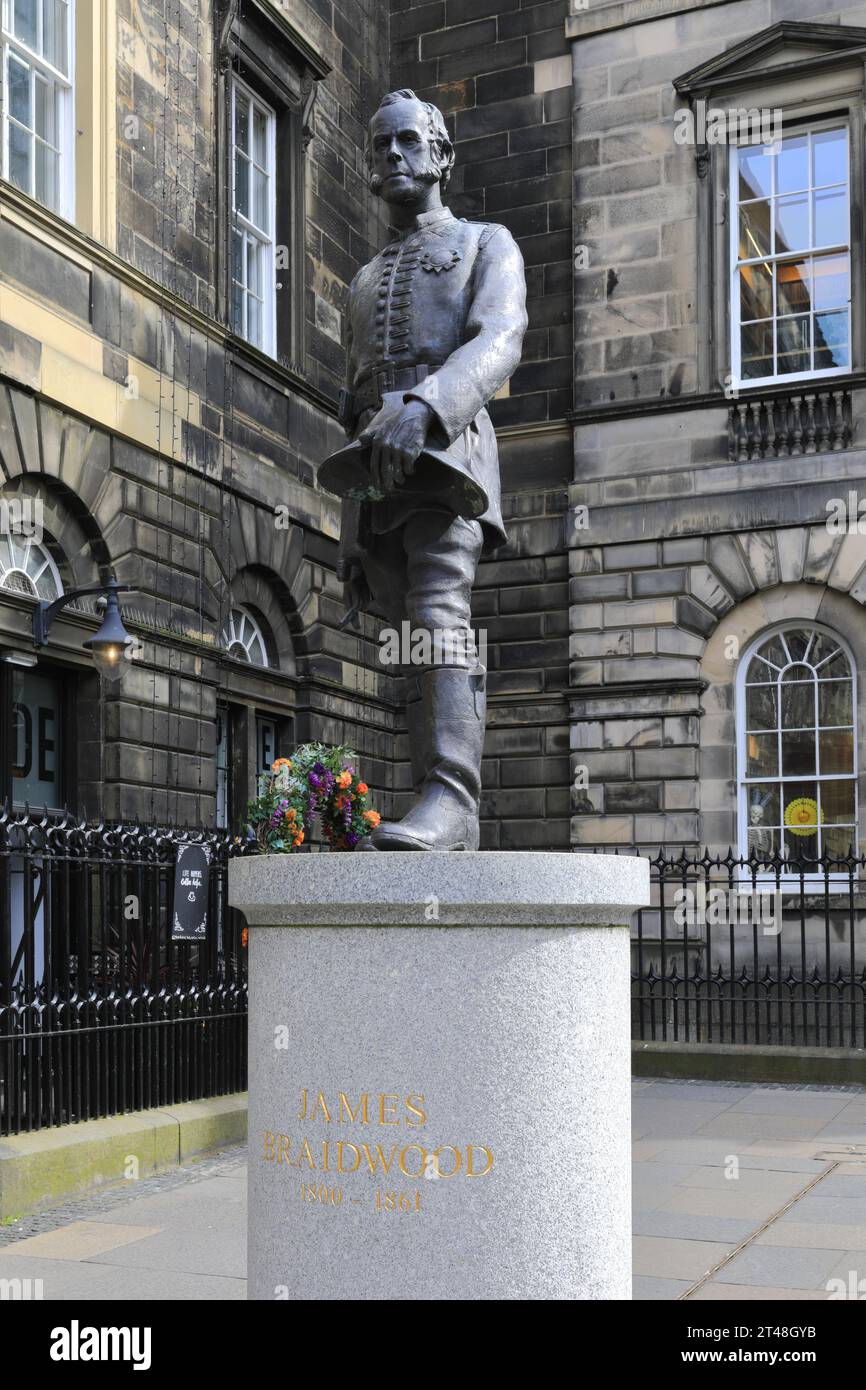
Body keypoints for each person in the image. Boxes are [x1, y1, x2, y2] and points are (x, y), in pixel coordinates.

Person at [335, 88, 527, 851]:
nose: (392, 156)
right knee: (411, 636)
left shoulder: (487, 242)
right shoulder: (361, 279)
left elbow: (500, 338)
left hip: (450, 459)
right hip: (380, 478)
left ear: (441, 155)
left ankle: (453, 798)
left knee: (441, 613)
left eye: (408, 142)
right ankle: (435, 803)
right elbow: (352, 403)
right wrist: (351, 531)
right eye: (381, 146)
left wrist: (427, 406)